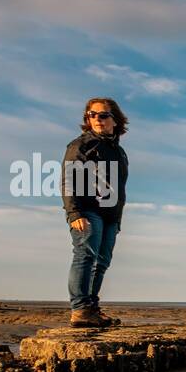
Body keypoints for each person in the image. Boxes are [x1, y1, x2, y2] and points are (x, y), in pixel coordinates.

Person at [62, 98, 129, 328]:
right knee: (85, 255)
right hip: (88, 210)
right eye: (92, 115)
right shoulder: (80, 146)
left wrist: (117, 219)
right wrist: (74, 213)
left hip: (111, 215)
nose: (97, 119)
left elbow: (119, 187)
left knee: (102, 262)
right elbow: (68, 180)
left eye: (103, 115)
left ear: (115, 120)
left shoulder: (119, 151)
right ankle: (80, 309)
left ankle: (91, 309)